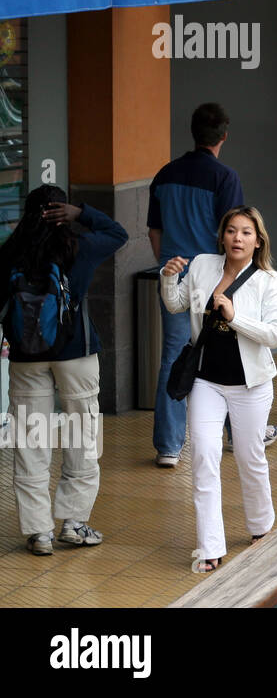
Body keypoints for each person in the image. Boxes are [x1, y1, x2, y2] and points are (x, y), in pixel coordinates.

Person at [1, 186, 127, 555]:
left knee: (30, 442)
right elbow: (118, 233)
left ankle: (39, 532)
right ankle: (73, 523)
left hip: (26, 359)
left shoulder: (11, 252)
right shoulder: (80, 247)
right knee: (81, 437)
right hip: (77, 354)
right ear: (63, 211)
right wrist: (83, 212)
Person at [160, 206, 277, 573]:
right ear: (222, 236)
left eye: (246, 232)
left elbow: (276, 334)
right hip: (205, 381)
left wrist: (235, 317)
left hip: (251, 384)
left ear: (257, 240)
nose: (237, 238)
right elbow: (176, 304)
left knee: (250, 458)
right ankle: (209, 546)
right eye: (231, 231)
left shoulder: (268, 281)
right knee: (203, 456)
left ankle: (261, 527)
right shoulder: (201, 265)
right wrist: (169, 278)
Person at [147, 103, 248, 469]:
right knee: (224, 353)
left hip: (174, 274)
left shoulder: (164, 174)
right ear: (223, 136)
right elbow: (233, 235)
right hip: (213, 279)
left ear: (193, 132)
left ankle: (169, 446)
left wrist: (167, 268)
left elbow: (154, 230)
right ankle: (239, 434)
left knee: (173, 355)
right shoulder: (225, 177)